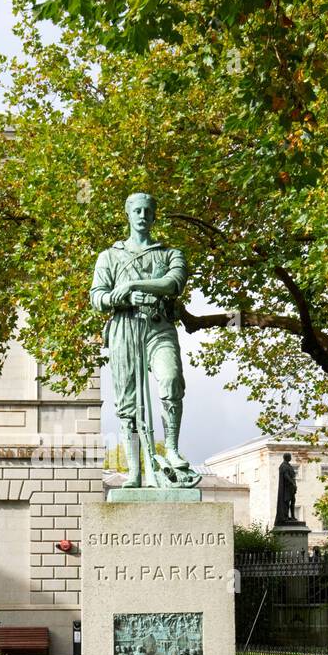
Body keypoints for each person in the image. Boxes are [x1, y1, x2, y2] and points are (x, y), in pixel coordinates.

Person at [90, 192, 198, 488]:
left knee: (171, 379)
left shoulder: (169, 254)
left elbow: (173, 283)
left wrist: (132, 284)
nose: (142, 215)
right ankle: (135, 472)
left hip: (158, 325)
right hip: (124, 328)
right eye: (136, 210)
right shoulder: (109, 256)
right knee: (128, 404)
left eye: (147, 211)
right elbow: (97, 298)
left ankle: (172, 450)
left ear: (154, 216)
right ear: (127, 214)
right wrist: (120, 297)